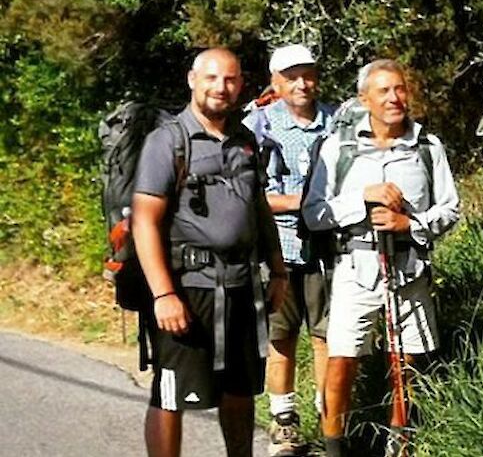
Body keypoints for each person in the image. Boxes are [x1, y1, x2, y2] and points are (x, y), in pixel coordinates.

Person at [132, 47, 289, 457]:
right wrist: (164, 295)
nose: (222, 87)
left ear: (240, 85)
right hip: (187, 288)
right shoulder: (167, 141)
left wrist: (278, 271)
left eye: (231, 79)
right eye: (212, 78)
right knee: (172, 394)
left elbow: (259, 209)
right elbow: (144, 220)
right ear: (192, 80)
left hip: (241, 287)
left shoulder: (245, 139)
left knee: (240, 389)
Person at [302, 59, 460, 456]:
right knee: (342, 362)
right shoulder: (338, 148)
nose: (394, 98)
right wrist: (363, 199)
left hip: (410, 269)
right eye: (384, 91)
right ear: (364, 99)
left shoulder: (427, 146)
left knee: (406, 365)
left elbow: (449, 209)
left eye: (400, 89)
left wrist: (409, 224)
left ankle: (399, 445)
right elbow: (314, 213)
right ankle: (335, 446)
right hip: (356, 269)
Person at [242, 44, 336, 456]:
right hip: (277, 249)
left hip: (328, 247)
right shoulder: (257, 125)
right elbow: (246, 193)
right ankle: (284, 423)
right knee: (281, 337)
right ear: (275, 82)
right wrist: (300, 201)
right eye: (291, 76)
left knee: (326, 335)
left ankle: (328, 417)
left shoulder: (336, 122)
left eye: (308, 74)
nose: (301, 83)